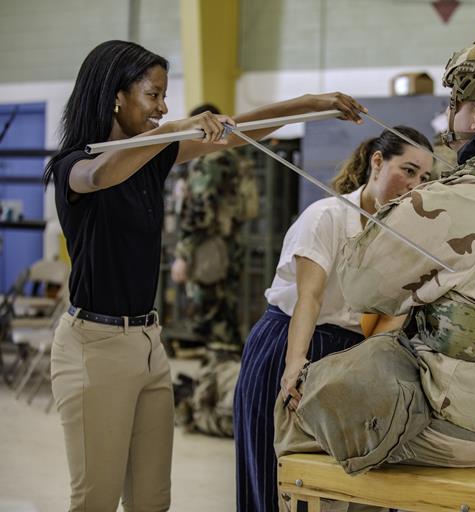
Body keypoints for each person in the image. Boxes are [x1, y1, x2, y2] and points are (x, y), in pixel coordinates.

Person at [273, 38, 475, 511]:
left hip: (466, 431)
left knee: (305, 410)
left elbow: (365, 289)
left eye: (456, 103)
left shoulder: (454, 198)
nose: (451, 114)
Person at [43, 39, 364, 511]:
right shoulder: (77, 164)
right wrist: (172, 129)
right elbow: (101, 175)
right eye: (153, 95)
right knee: (95, 500)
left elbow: (237, 133)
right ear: (117, 95)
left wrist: (309, 105)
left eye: (164, 96)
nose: (163, 106)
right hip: (94, 347)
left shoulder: (152, 162)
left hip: (149, 346)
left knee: (152, 499)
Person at [233, 126, 434, 512]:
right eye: (407, 171)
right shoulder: (326, 216)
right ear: (377, 162)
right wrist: (295, 367)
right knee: (273, 473)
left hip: (348, 354)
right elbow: (309, 297)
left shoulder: (401, 233)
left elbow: (397, 311)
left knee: (336, 486)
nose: (414, 185)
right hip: (290, 342)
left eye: (423, 177)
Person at [171, 103, 259, 355]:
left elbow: (201, 210)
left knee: (211, 321)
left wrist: (183, 254)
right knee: (225, 314)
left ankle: (221, 384)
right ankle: (223, 384)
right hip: (231, 245)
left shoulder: (208, 160)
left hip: (209, 250)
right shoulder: (233, 155)